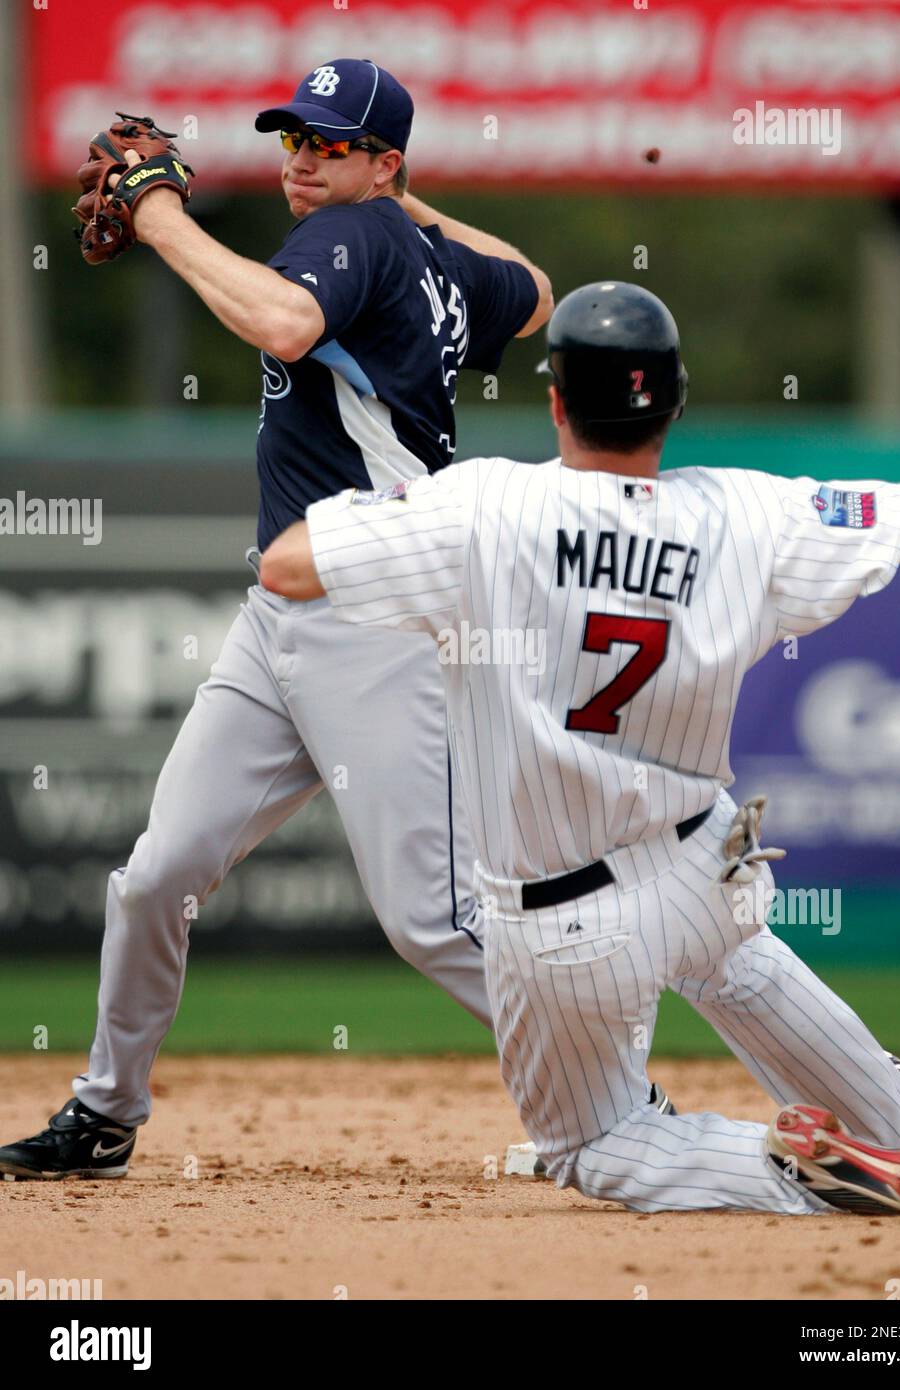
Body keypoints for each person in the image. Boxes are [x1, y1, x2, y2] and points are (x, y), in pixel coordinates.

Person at [253, 281, 900, 1215]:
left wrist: (396, 502)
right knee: (738, 959)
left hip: (563, 919)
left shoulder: (480, 506)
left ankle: (804, 1175)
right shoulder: (752, 516)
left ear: (554, 400)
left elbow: (288, 565)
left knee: (592, 1144)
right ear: (677, 402)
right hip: (702, 868)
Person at [0, 58, 553, 1182]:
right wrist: (411, 198)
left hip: (373, 617)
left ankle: (610, 1081)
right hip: (283, 616)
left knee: (433, 919)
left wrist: (158, 211)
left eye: (331, 145)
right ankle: (106, 1109)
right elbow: (536, 290)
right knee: (159, 872)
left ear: (379, 162)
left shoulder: (351, 240)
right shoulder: (416, 244)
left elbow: (285, 324)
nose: (302, 160)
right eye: (293, 138)